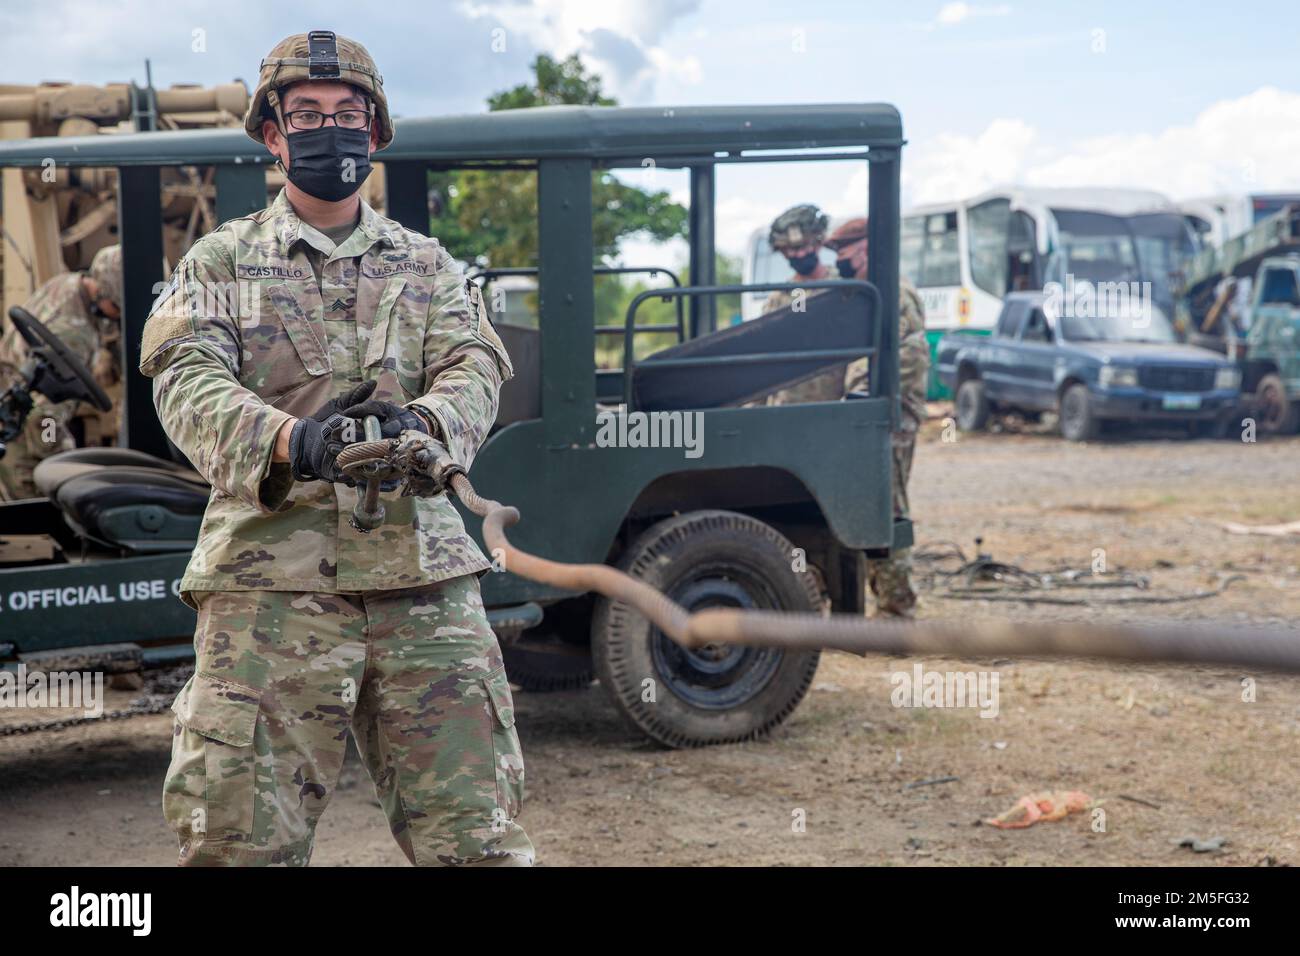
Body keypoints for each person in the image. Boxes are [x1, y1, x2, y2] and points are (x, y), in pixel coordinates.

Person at [140, 31, 532, 866]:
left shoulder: (427, 266)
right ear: (274, 138)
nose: (331, 131)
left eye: (349, 115)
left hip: (423, 584)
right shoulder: (221, 261)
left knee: (481, 843)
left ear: (377, 133)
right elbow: (183, 379)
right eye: (307, 116)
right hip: (269, 590)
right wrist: (297, 441)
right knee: (241, 845)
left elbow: (475, 367)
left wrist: (426, 427)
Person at [830, 218, 929, 617]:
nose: (839, 260)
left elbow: (912, 355)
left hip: (890, 416)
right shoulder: (867, 293)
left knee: (887, 506)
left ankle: (898, 606)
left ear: (867, 248)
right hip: (866, 414)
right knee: (866, 503)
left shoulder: (894, 292)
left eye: (844, 251)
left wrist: (860, 391)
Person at [0, 245, 122, 499]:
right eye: (118, 307)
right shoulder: (74, 335)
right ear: (105, 291)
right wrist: (63, 457)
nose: (119, 316)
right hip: (21, 430)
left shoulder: (67, 285)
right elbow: (44, 418)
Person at [762, 203, 845, 404]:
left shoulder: (842, 287)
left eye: (800, 247)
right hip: (786, 403)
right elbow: (763, 354)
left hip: (833, 401)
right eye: (788, 250)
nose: (796, 255)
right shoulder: (779, 297)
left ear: (817, 243)